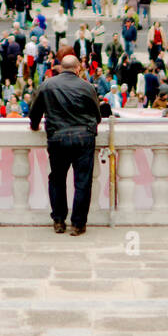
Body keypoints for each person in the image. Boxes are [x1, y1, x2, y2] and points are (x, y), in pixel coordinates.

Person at [29, 49, 102, 235]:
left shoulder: (47, 85)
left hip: (58, 138)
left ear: (60, 68)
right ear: (78, 69)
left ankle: (59, 221)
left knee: (57, 180)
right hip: (83, 138)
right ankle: (78, 224)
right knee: (83, 182)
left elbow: (35, 112)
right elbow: (97, 115)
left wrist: (36, 126)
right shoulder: (87, 87)